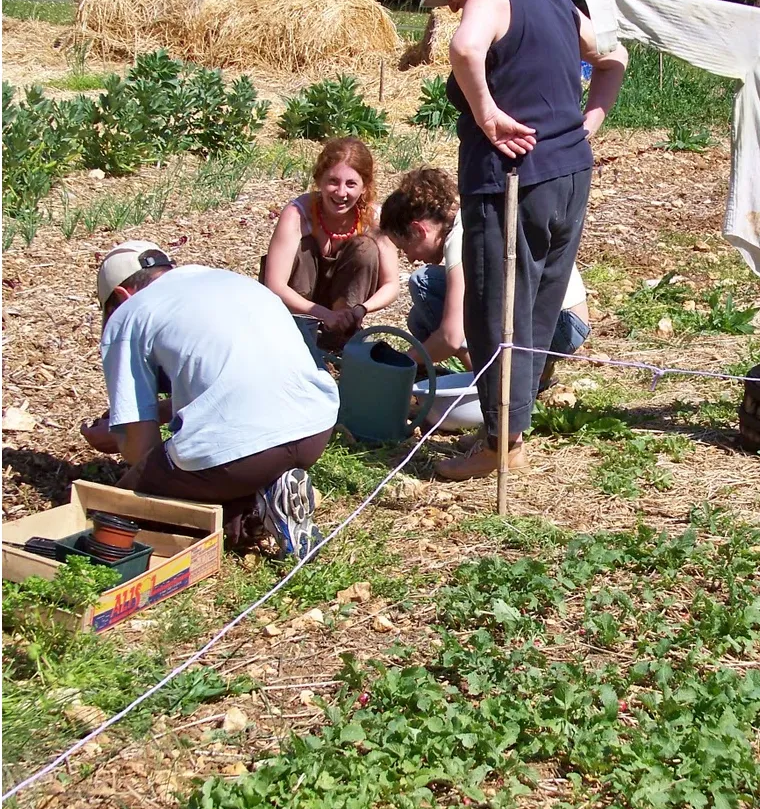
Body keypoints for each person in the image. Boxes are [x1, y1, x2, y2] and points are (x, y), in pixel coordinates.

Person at [415, 0, 626, 480]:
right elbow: (614, 57)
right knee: (535, 304)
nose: (455, 3)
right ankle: (512, 434)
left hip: (513, 178)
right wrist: (592, 121)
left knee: (497, 308)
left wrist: (486, 115)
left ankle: (498, 445)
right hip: (569, 173)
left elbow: (465, 47)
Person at [94, 240, 340, 557]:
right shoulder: (226, 280)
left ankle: (248, 506)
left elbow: (140, 445)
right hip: (314, 430)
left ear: (120, 296)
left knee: (120, 510)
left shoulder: (129, 313)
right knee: (218, 459)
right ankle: (267, 497)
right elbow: (229, 385)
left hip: (243, 456)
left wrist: (117, 436)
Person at [379, 167, 591, 386]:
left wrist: (403, 363)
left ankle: (493, 385)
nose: (411, 259)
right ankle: (522, 375)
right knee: (419, 317)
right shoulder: (473, 216)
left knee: (424, 284)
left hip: (558, 325)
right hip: (569, 321)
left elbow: (451, 336)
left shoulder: (461, 238)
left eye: (406, 248)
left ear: (420, 230)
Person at [262, 137, 402, 352]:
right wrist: (323, 314)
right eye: (333, 181)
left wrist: (360, 309)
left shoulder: (373, 218)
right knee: (305, 245)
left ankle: (340, 338)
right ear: (319, 180)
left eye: (351, 184)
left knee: (366, 248)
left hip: (346, 308)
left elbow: (391, 284)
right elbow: (275, 283)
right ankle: (298, 333)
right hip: (299, 306)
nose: (341, 192)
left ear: (365, 187)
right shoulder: (298, 213)